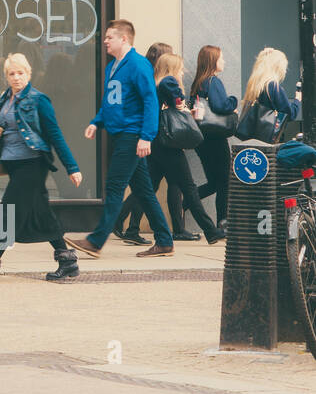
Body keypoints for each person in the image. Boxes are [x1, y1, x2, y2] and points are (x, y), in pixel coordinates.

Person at [0, 53, 84, 282]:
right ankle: (68, 262)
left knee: (9, 211)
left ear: (29, 73)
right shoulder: (5, 98)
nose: (16, 78)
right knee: (42, 215)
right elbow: (5, 129)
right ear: (6, 76)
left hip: (33, 164)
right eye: (11, 74)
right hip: (14, 165)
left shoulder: (38, 100)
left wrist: (72, 167)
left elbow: (55, 134)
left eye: (20, 73)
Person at [66, 19, 175, 258]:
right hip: (121, 134)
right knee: (144, 191)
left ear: (123, 39)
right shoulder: (112, 66)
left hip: (132, 135)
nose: (104, 41)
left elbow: (150, 101)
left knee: (114, 187)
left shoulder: (138, 65)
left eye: (109, 37)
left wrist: (146, 137)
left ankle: (95, 241)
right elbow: (111, 102)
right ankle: (165, 241)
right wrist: (97, 122)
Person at [146, 53, 225, 244]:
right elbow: (178, 99)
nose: (183, 72)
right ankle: (211, 231)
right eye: (180, 68)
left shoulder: (156, 83)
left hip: (157, 143)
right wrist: (180, 94)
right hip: (168, 146)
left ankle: (121, 222)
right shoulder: (169, 81)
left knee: (147, 188)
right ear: (173, 68)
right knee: (189, 187)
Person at [114, 42, 175, 244]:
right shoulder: (154, 80)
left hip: (144, 139)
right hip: (148, 140)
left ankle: (128, 226)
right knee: (145, 188)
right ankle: (121, 223)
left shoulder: (145, 75)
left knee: (144, 187)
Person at [190, 45, 238, 233]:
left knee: (214, 182)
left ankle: (186, 201)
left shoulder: (198, 83)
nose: (224, 61)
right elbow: (220, 105)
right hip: (216, 139)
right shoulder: (213, 81)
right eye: (221, 58)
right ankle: (223, 223)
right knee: (225, 181)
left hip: (202, 139)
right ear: (213, 61)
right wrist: (233, 102)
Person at [240, 47, 302, 140]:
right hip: (268, 139)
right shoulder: (273, 86)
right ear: (277, 67)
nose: (285, 70)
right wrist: (297, 100)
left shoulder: (255, 85)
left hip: (253, 138)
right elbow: (290, 114)